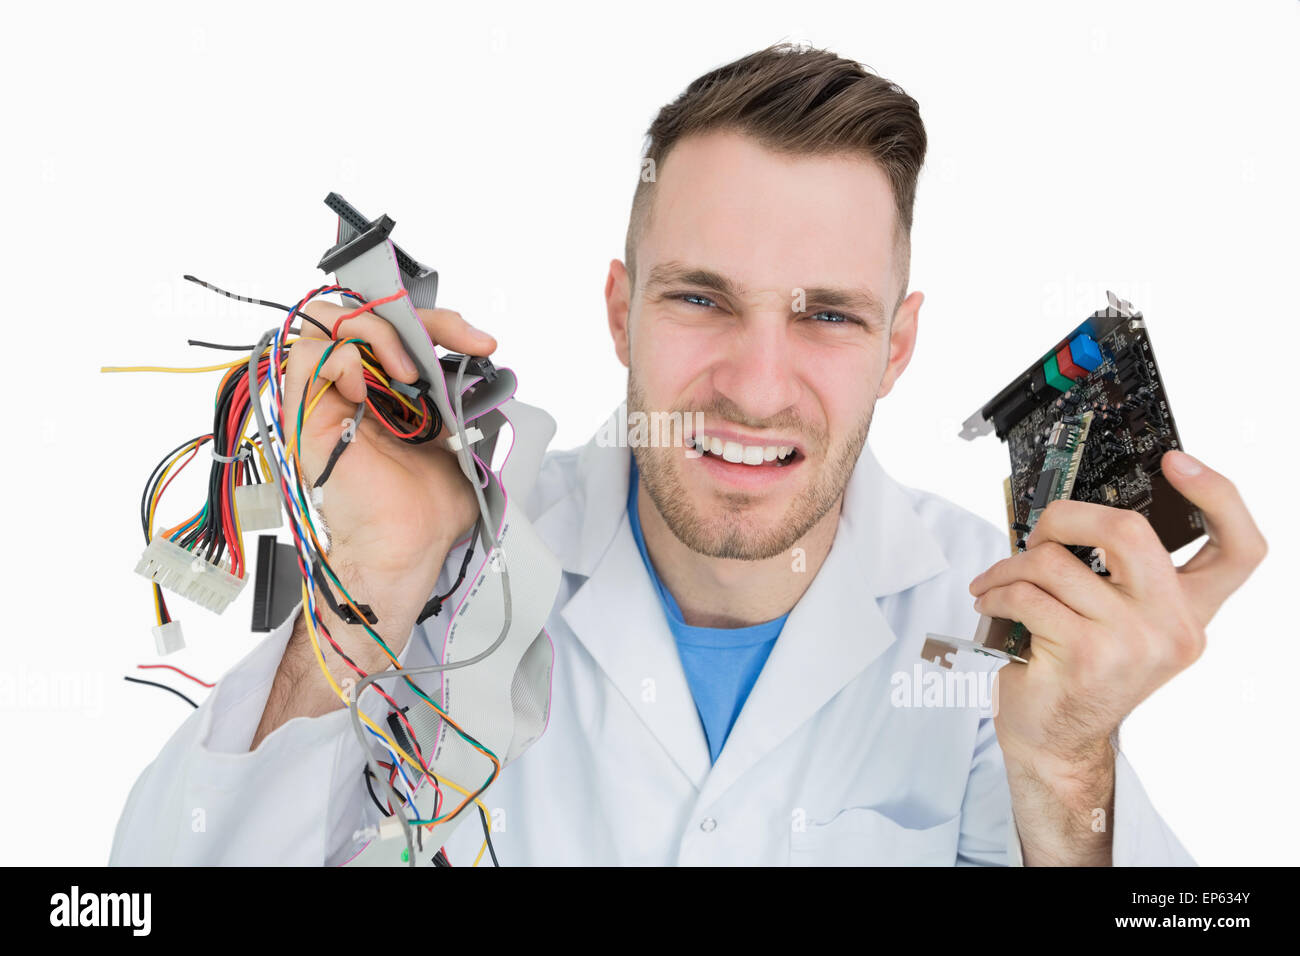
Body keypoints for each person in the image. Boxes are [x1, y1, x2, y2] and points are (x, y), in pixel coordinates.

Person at [110, 43, 1266, 866]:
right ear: (619, 312)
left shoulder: (996, 633)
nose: (757, 388)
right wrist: (361, 596)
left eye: (826, 315)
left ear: (897, 346)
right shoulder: (437, 586)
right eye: (701, 298)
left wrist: (1068, 763)